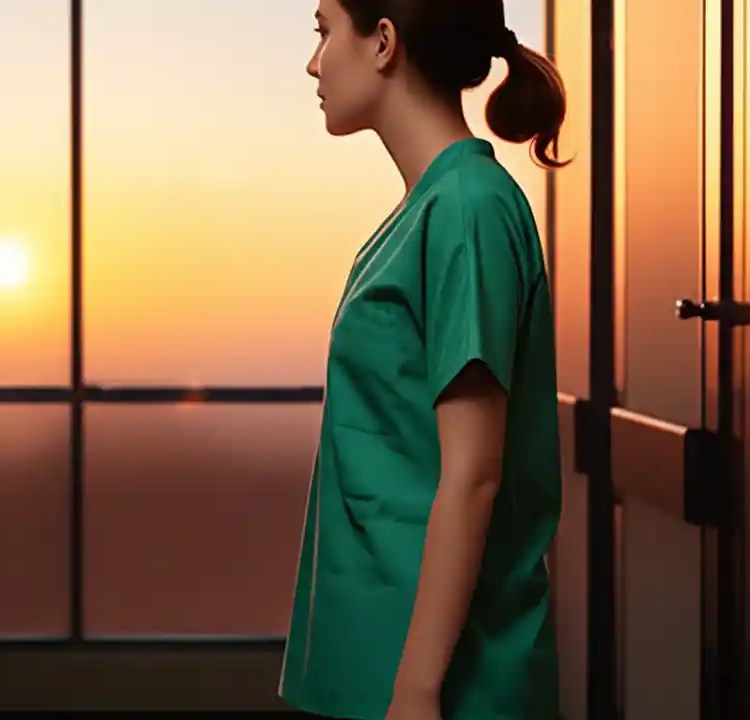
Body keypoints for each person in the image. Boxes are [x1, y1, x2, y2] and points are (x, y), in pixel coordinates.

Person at [278, 1, 568, 718]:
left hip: (437, 678)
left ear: (383, 42)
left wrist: (417, 690)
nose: (314, 63)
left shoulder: (468, 206)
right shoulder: (426, 208)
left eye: (323, 32)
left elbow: (474, 474)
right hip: (374, 649)